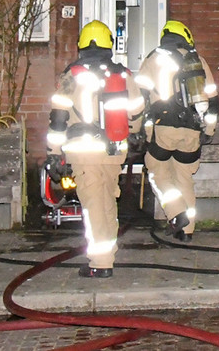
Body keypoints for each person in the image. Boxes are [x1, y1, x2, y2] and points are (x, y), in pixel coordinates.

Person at [46, 19, 145, 278]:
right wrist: (132, 134)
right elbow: (136, 113)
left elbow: (58, 118)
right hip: (113, 151)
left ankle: (100, 264)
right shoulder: (122, 75)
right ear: (108, 45)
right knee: (107, 202)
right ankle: (107, 254)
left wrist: (54, 153)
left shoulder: (71, 77)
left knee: (94, 207)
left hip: (84, 152)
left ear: (81, 45)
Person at [134, 19, 219, 242]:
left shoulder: (153, 59)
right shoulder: (197, 61)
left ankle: (175, 213)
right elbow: (213, 100)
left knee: (157, 171)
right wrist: (208, 130)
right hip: (192, 130)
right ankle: (187, 231)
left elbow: (139, 97)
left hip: (164, 128)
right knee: (184, 178)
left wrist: (137, 129)